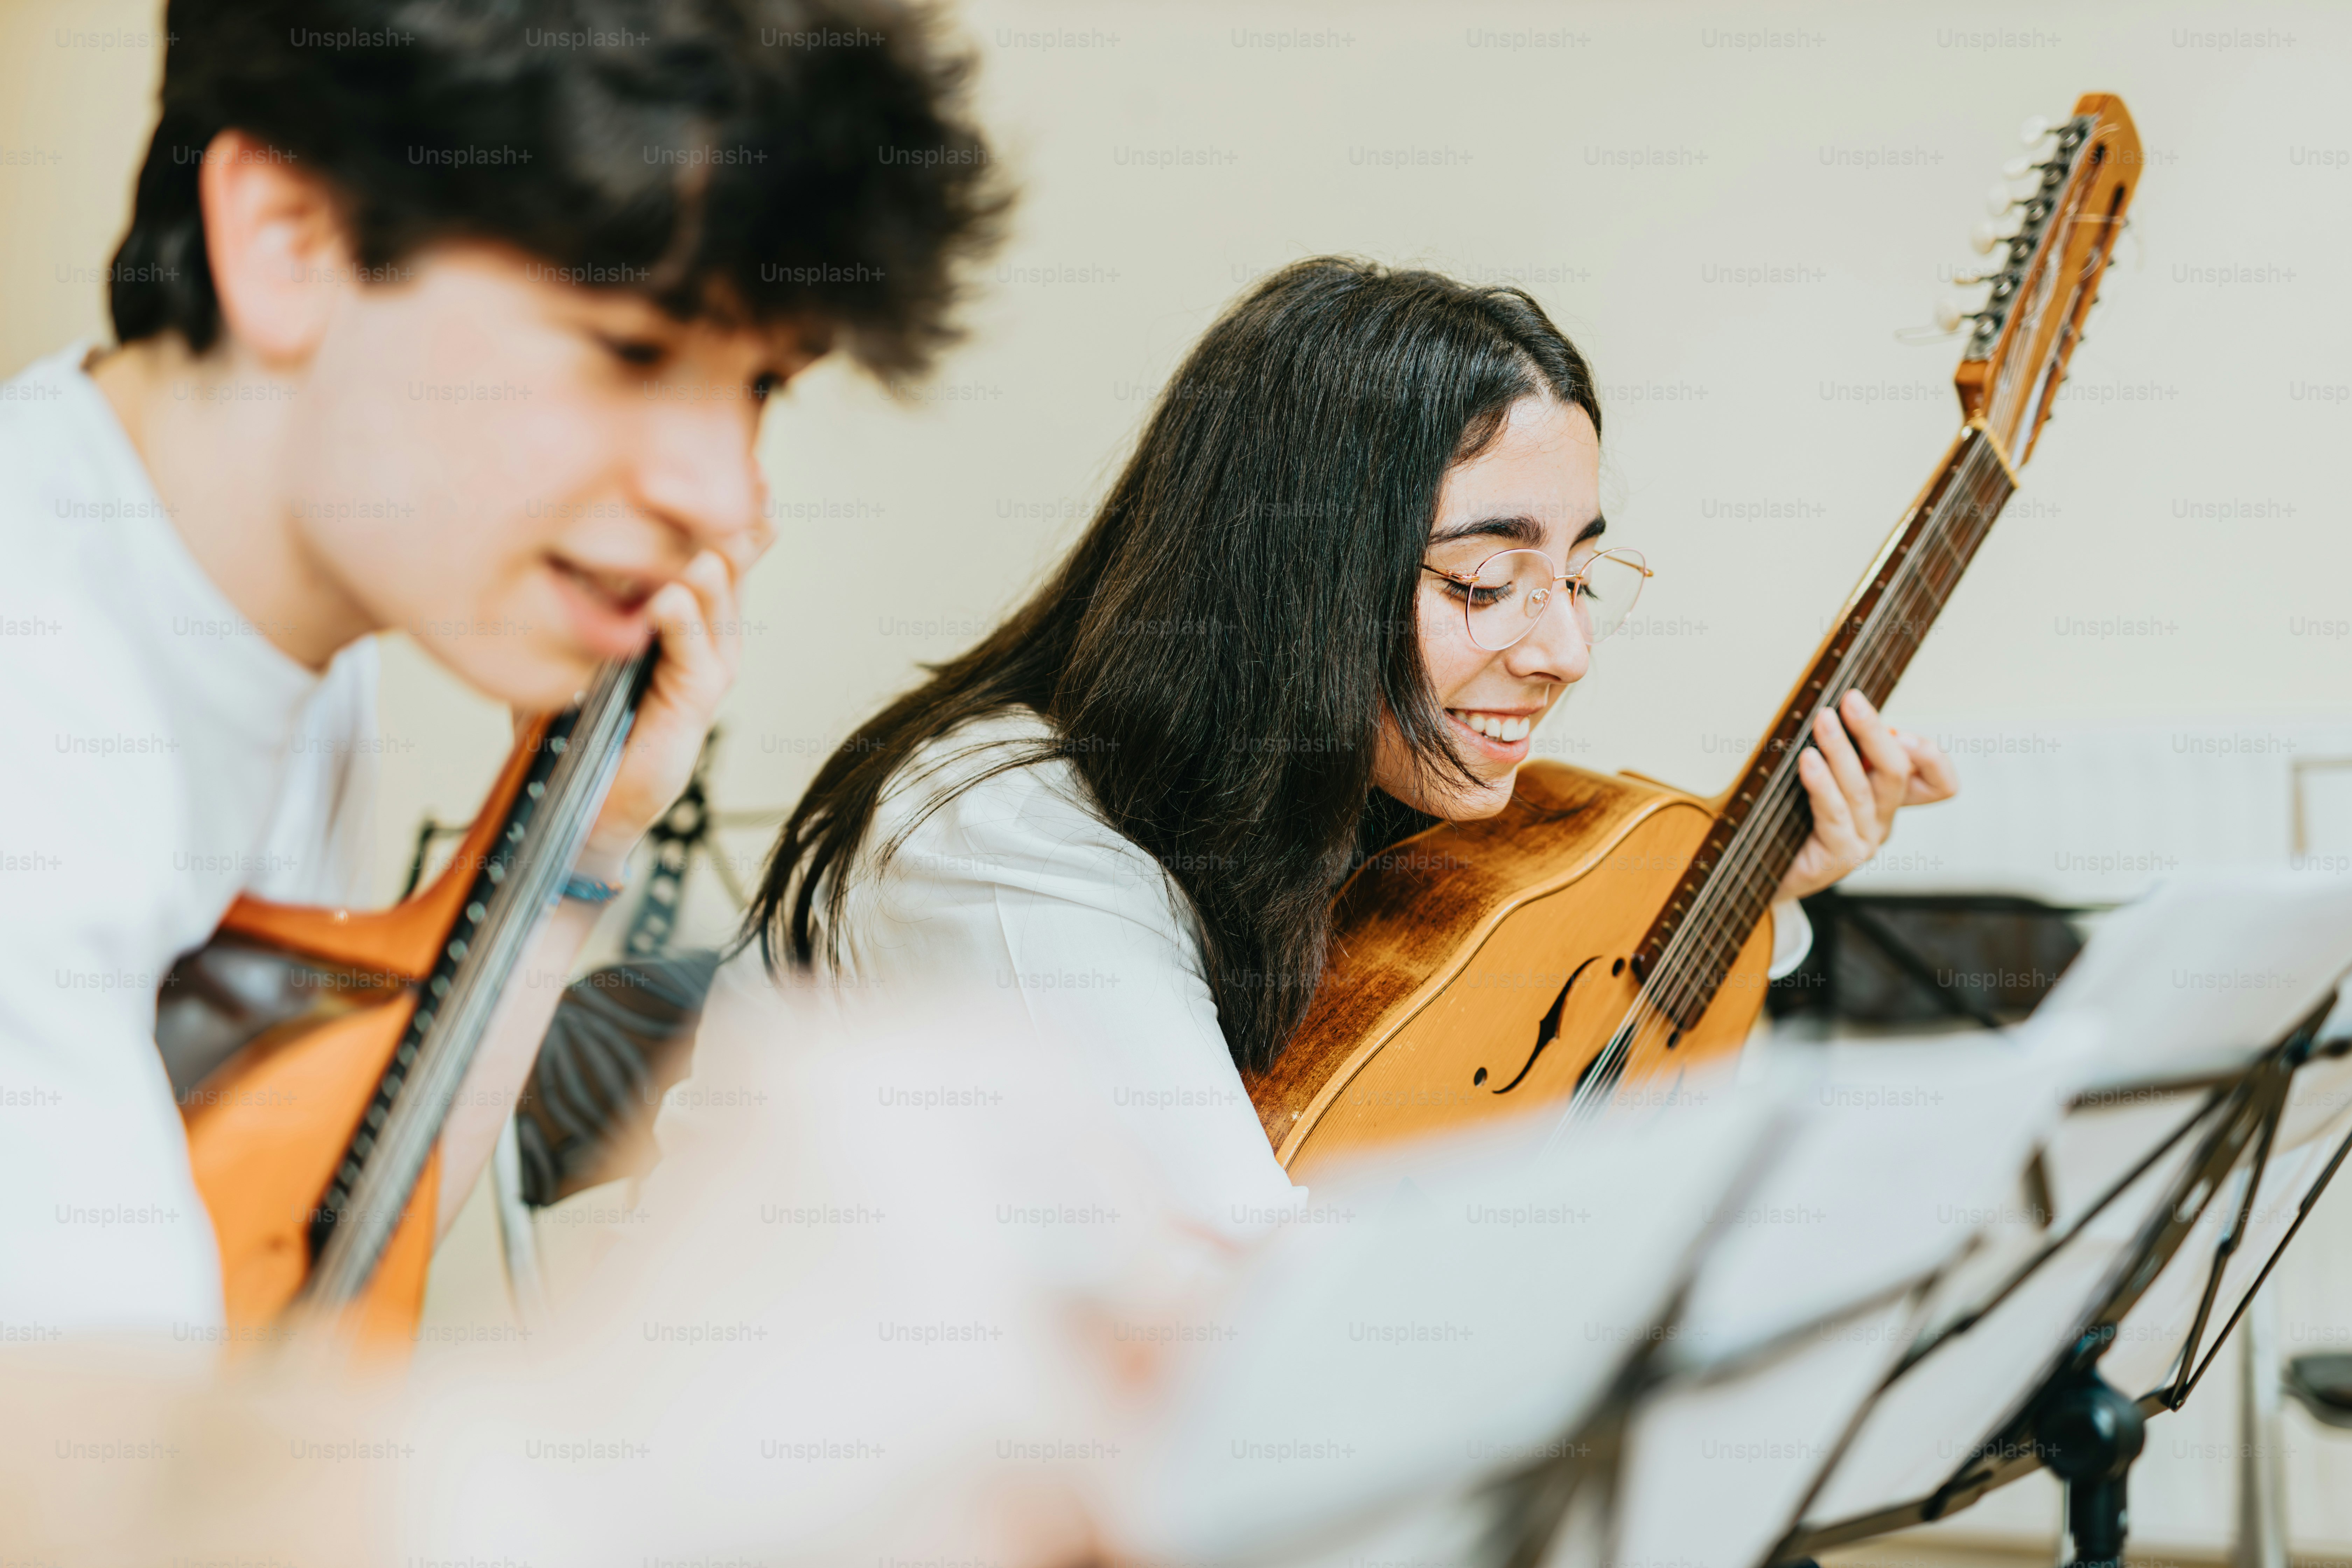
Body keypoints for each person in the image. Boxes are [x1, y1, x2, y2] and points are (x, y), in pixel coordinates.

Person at [0, 0, 1002, 1337]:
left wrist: (588, 835)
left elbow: (303, 1266)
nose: (729, 495)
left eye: (762, 386)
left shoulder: (269, 623)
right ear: (292, 240)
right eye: (633, 350)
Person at [714, 258, 1957, 1237]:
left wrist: (1757, 897)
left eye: (1580, 573)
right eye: (1486, 580)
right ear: (1292, 579)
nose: (1566, 648)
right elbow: (1231, 1299)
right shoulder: (1004, 833)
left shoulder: (1347, 796)